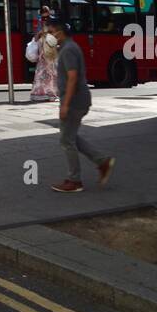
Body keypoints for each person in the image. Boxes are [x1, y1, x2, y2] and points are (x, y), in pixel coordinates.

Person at [49, 17, 115, 193]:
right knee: (70, 136)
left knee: (66, 140)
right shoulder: (67, 47)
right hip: (79, 99)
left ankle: (74, 180)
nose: (49, 35)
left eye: (51, 32)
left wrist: (66, 105)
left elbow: (72, 77)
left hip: (75, 101)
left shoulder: (68, 50)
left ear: (60, 33)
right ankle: (102, 161)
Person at [29, 28, 59, 102]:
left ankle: (41, 94)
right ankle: (50, 94)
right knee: (50, 76)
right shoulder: (52, 34)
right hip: (48, 60)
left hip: (44, 61)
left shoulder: (40, 35)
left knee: (44, 77)